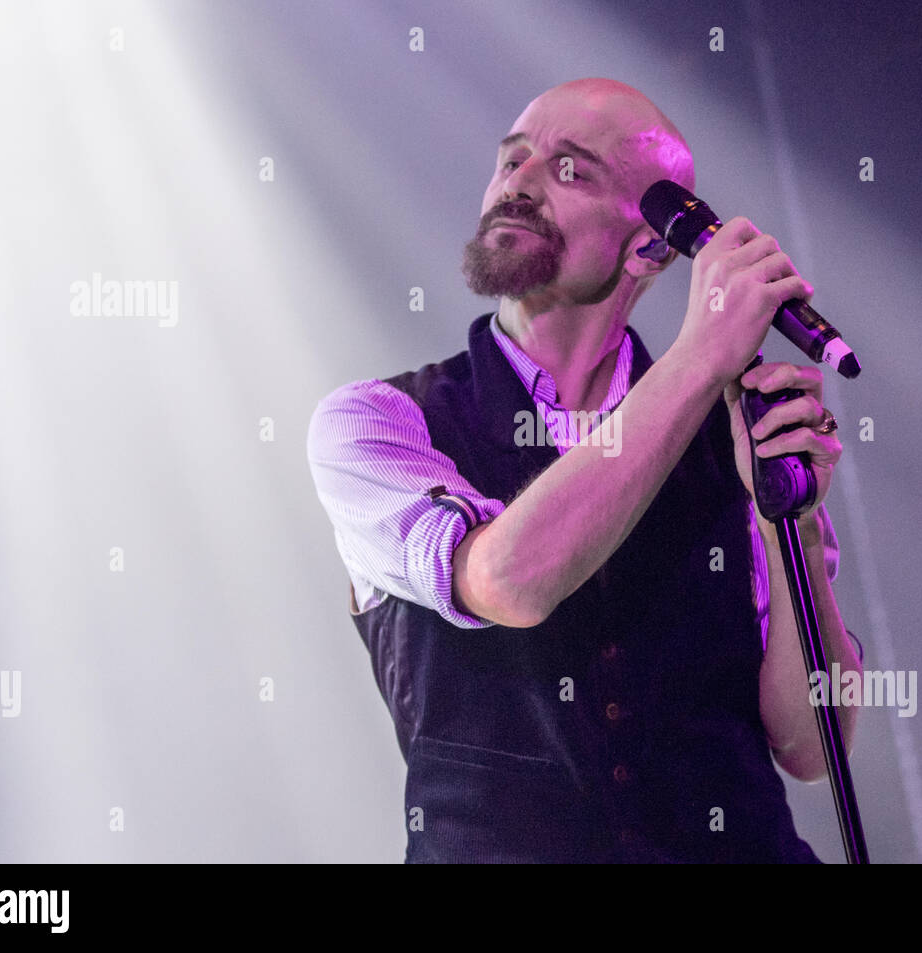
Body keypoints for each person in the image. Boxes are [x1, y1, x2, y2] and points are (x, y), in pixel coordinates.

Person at [307, 77, 863, 862]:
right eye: (512, 160)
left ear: (650, 245)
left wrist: (793, 527)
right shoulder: (379, 423)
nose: (518, 183)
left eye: (568, 170)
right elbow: (504, 580)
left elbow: (813, 749)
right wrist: (700, 356)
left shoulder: (729, 435)